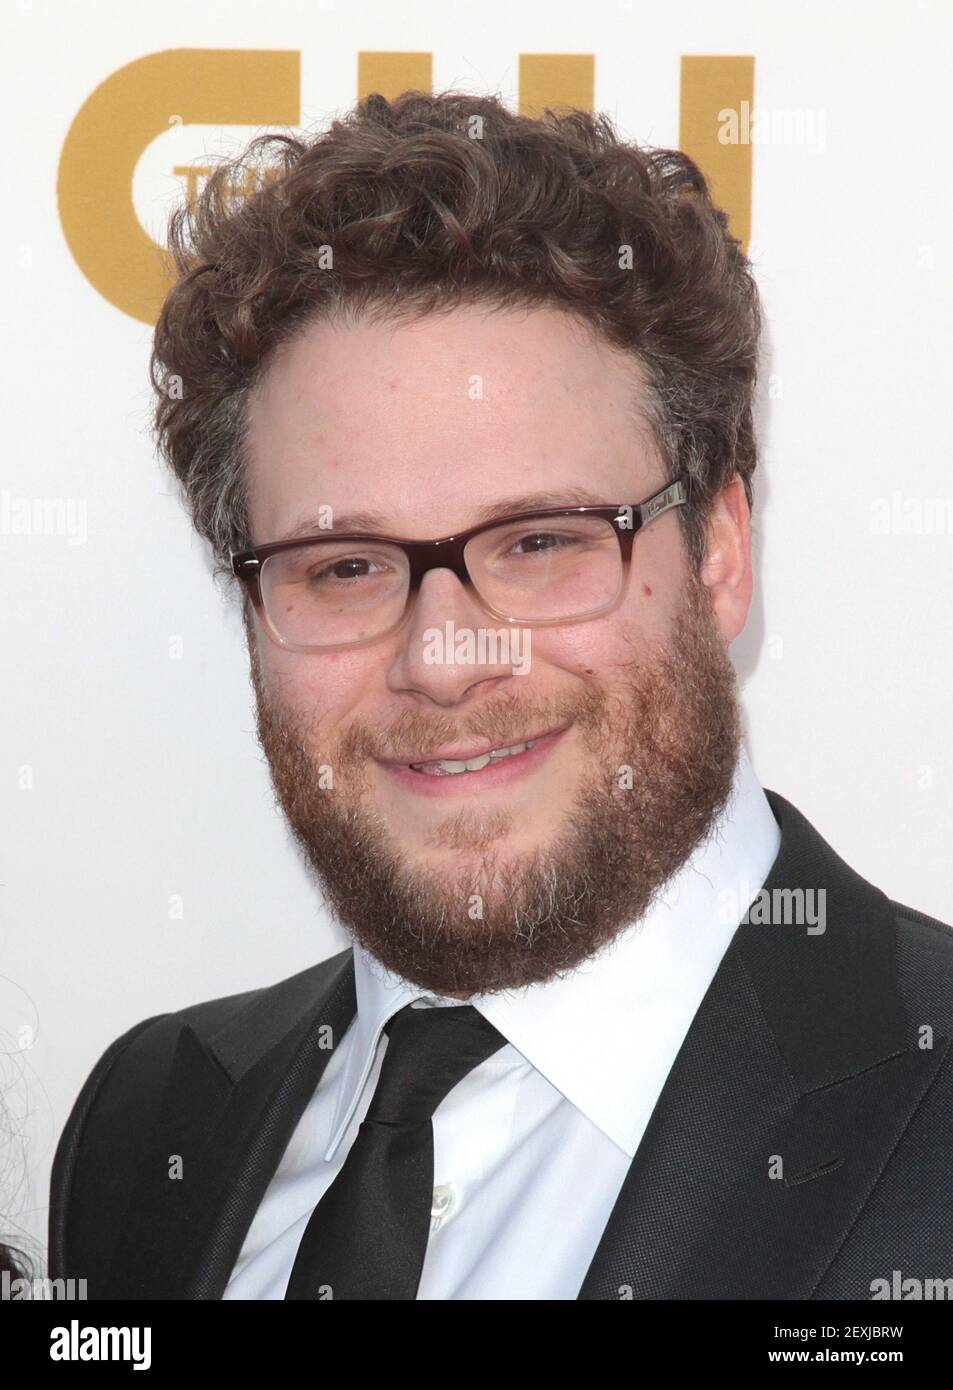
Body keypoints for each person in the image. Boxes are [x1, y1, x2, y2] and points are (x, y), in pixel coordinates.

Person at [48, 90, 953, 1300]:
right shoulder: (148, 1120)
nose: (445, 657)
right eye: (346, 566)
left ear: (720, 552)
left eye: (538, 542)